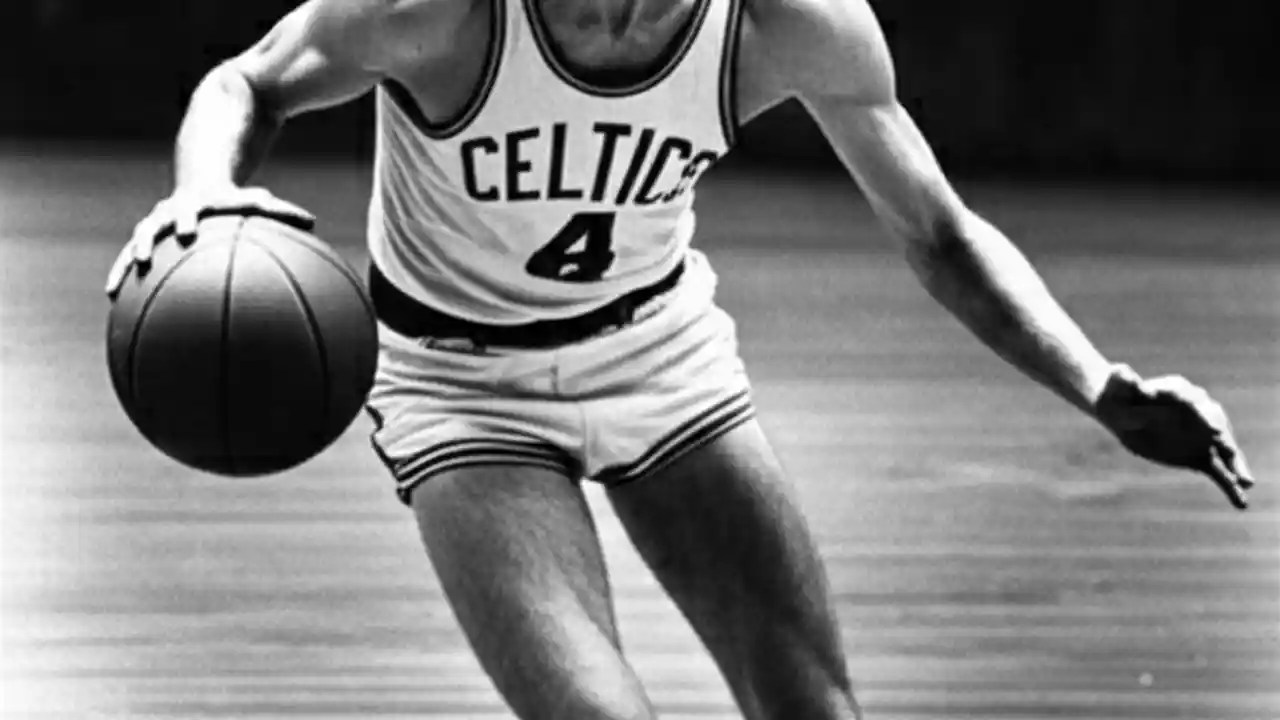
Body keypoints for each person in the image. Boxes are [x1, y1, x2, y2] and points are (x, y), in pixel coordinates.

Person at [103, 0, 1256, 717]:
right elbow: (247, 81)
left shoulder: (789, 24)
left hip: (660, 357)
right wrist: (201, 194)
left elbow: (940, 235)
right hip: (462, 387)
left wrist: (1096, 385)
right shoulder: (442, 16)